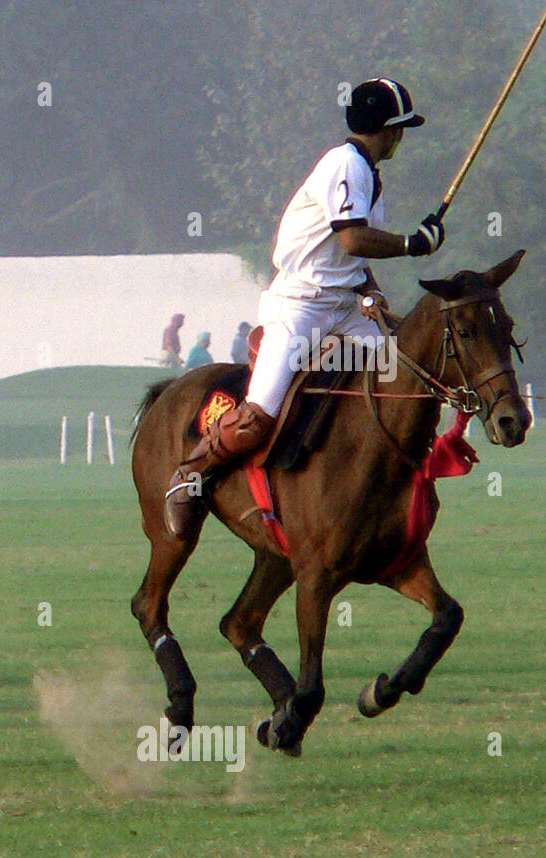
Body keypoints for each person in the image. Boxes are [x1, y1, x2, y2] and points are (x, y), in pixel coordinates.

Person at [163, 78, 445, 539]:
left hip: (346, 306)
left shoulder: (371, 174)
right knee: (260, 415)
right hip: (300, 309)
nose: (402, 137)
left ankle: (369, 481)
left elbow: (350, 256)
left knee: (399, 379)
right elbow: (352, 236)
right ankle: (189, 475)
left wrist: (369, 289)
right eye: (401, 128)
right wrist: (413, 244)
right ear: (387, 130)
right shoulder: (344, 164)